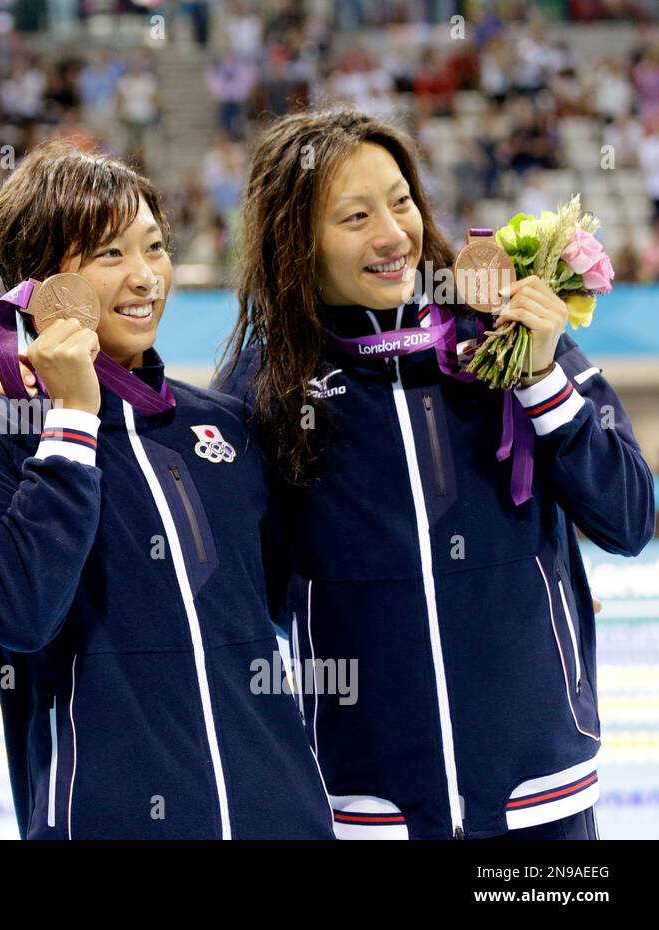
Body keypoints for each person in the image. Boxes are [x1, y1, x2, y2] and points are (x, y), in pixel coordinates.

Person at [217, 107, 655, 839]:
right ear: (296, 240)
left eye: (401, 201)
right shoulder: (267, 386)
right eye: (355, 216)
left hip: (539, 790)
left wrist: (543, 378)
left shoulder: (506, 333)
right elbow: (242, 592)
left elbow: (629, 518)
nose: (394, 234)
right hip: (369, 805)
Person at [0, 139, 335, 839]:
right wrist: (69, 421)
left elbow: (290, 597)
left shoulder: (223, 424)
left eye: (154, 248)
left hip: (281, 817)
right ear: (43, 289)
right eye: (110, 255)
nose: (145, 277)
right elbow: (20, 614)